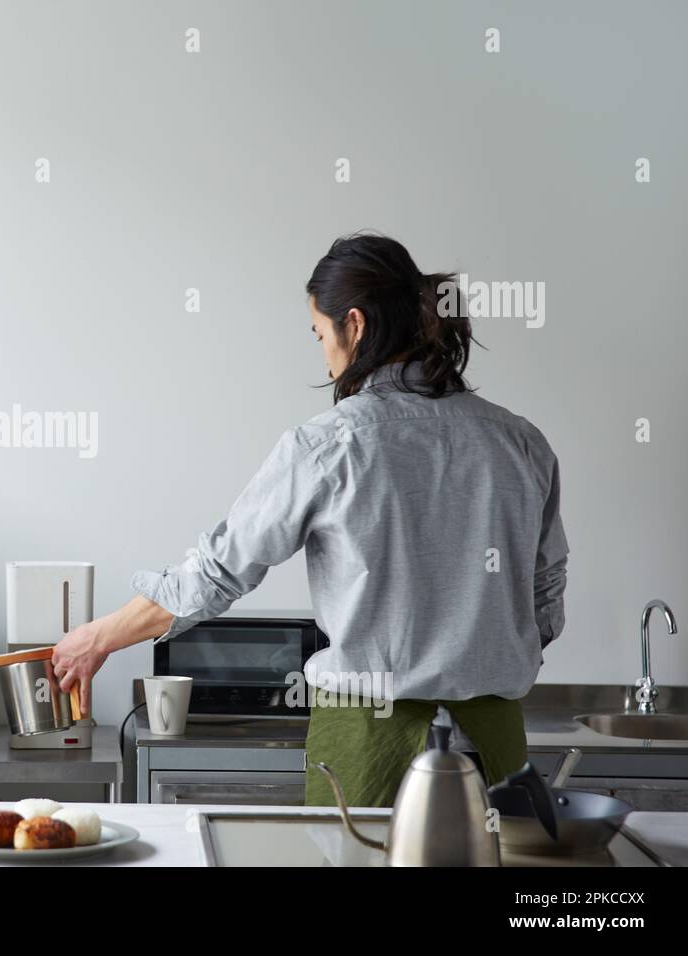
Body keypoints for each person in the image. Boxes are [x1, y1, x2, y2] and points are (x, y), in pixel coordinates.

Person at [52, 233, 569, 806]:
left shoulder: (331, 445)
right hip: (494, 750)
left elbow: (217, 573)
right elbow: (545, 595)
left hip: (367, 743)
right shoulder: (520, 442)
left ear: (355, 324)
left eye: (321, 334)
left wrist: (97, 638)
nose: (324, 353)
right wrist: (479, 656)